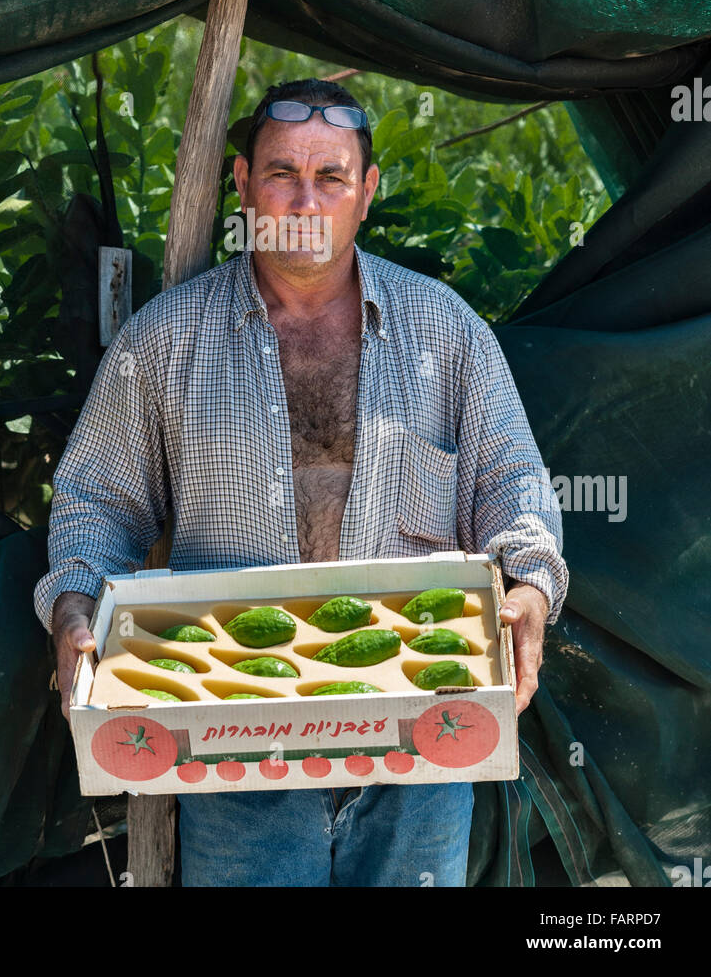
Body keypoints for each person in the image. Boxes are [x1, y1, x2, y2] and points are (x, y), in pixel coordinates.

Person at [34, 77, 568, 887]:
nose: (305, 199)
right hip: (230, 744)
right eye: (282, 173)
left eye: (331, 177)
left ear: (367, 192)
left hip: (421, 725)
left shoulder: (445, 331)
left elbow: (512, 485)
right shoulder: (164, 342)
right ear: (242, 182)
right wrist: (73, 605)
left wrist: (528, 589)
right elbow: (96, 505)